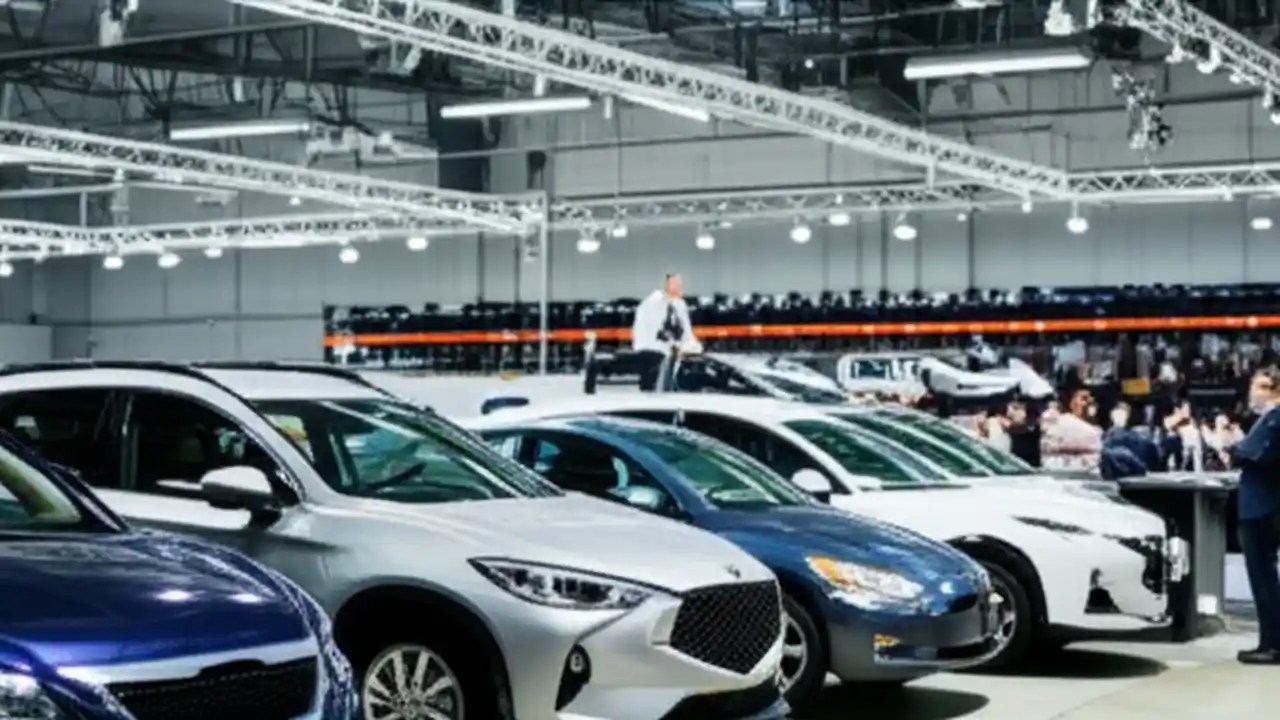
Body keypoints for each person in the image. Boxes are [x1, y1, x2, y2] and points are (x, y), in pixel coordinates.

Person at [1233, 366, 1280, 665]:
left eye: (1262, 386)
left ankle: (1272, 644)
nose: (1255, 391)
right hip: (1261, 504)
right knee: (1264, 578)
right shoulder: (1265, 418)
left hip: (1263, 507)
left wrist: (1238, 448)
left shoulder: (1275, 418)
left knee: (1264, 578)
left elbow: (1252, 454)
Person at [631, 273, 702, 392]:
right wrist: (674, 347)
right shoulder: (651, 304)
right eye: (676, 284)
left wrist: (692, 346)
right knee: (653, 383)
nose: (680, 288)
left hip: (672, 353)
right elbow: (656, 332)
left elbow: (686, 331)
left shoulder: (679, 304)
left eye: (680, 285)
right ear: (667, 285)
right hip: (652, 351)